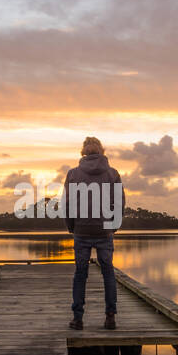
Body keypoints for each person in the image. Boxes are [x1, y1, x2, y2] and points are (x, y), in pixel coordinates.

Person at [64, 136, 124, 330]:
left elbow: (68, 205)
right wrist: (113, 226)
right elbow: (119, 203)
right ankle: (110, 317)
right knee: (108, 272)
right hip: (104, 230)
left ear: (83, 152)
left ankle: (78, 319)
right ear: (101, 151)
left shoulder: (73, 174)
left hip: (81, 230)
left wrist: (72, 227)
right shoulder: (113, 173)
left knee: (80, 274)